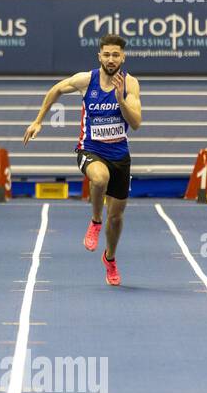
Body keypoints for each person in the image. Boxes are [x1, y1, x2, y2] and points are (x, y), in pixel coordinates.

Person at [23, 34, 141, 287]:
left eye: (116, 55)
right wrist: (38, 120)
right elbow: (55, 90)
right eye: (106, 54)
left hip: (120, 155)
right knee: (100, 178)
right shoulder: (86, 80)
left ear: (123, 57)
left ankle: (110, 258)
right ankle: (95, 220)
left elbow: (136, 123)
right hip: (90, 149)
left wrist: (121, 100)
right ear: (99, 56)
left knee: (117, 217)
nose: (111, 59)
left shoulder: (130, 84)